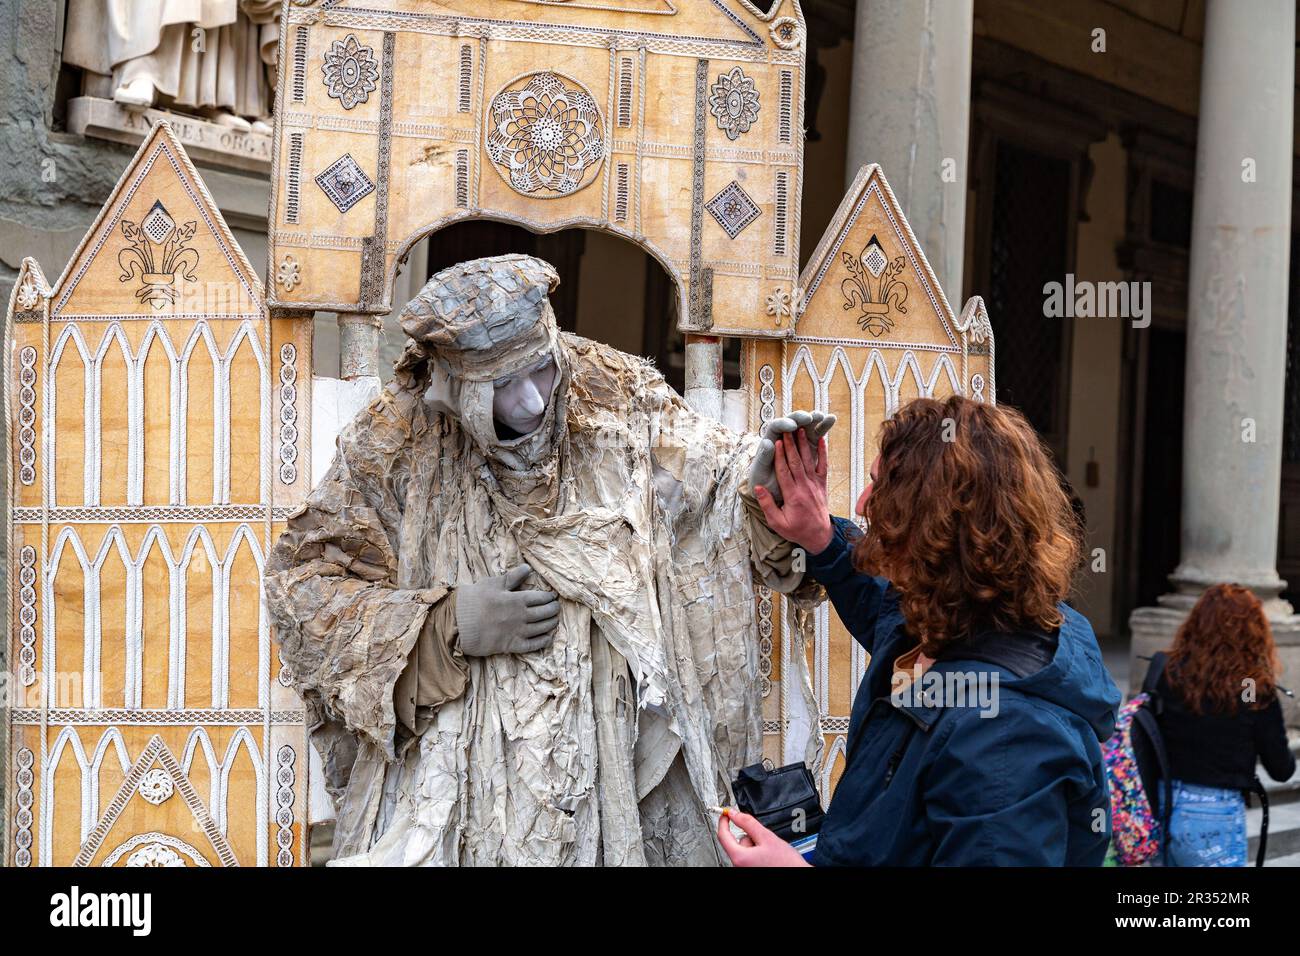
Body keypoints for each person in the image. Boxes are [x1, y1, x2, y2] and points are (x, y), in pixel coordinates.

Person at [263, 254, 832, 866]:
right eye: (503, 387)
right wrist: (447, 624)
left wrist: (762, 489)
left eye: (541, 371)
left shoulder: (610, 391)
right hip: (461, 786)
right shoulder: (397, 442)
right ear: (457, 388)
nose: (533, 402)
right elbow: (305, 586)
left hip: (613, 768)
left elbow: (706, 478)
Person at [716, 394, 1122, 866]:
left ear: (931, 525)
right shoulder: (947, 620)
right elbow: (879, 604)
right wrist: (821, 537)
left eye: (879, 489)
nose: (864, 504)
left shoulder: (1004, 736)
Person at [1150, 583, 1296, 867]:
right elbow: (1280, 768)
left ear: (1196, 624)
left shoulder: (1170, 672)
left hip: (1163, 802)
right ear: (1253, 631)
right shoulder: (1251, 688)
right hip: (1214, 813)